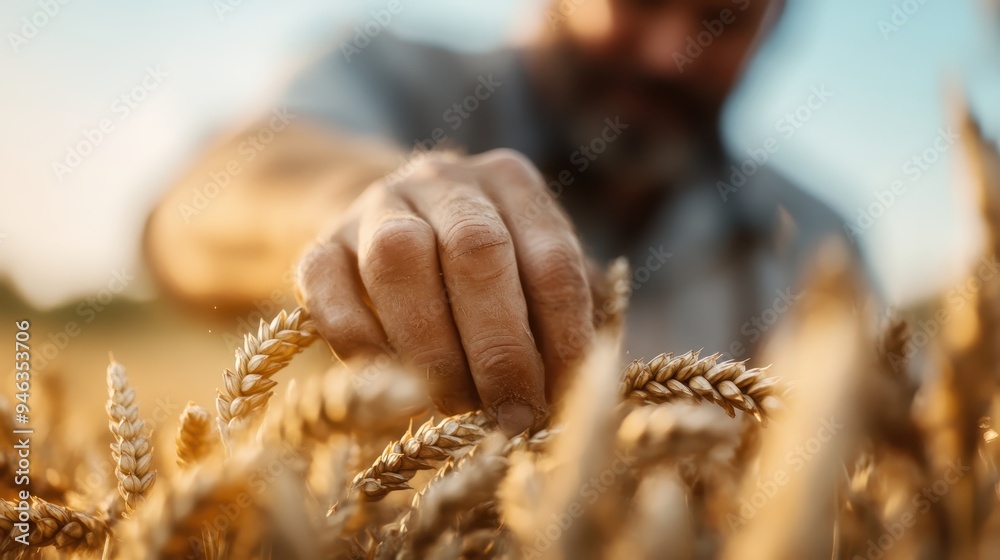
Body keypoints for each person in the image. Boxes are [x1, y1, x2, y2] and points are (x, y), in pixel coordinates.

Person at [145, 0, 863, 436]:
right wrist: (365, 200)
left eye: (723, 20)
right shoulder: (395, 74)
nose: (669, 54)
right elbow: (194, 209)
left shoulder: (812, 237)